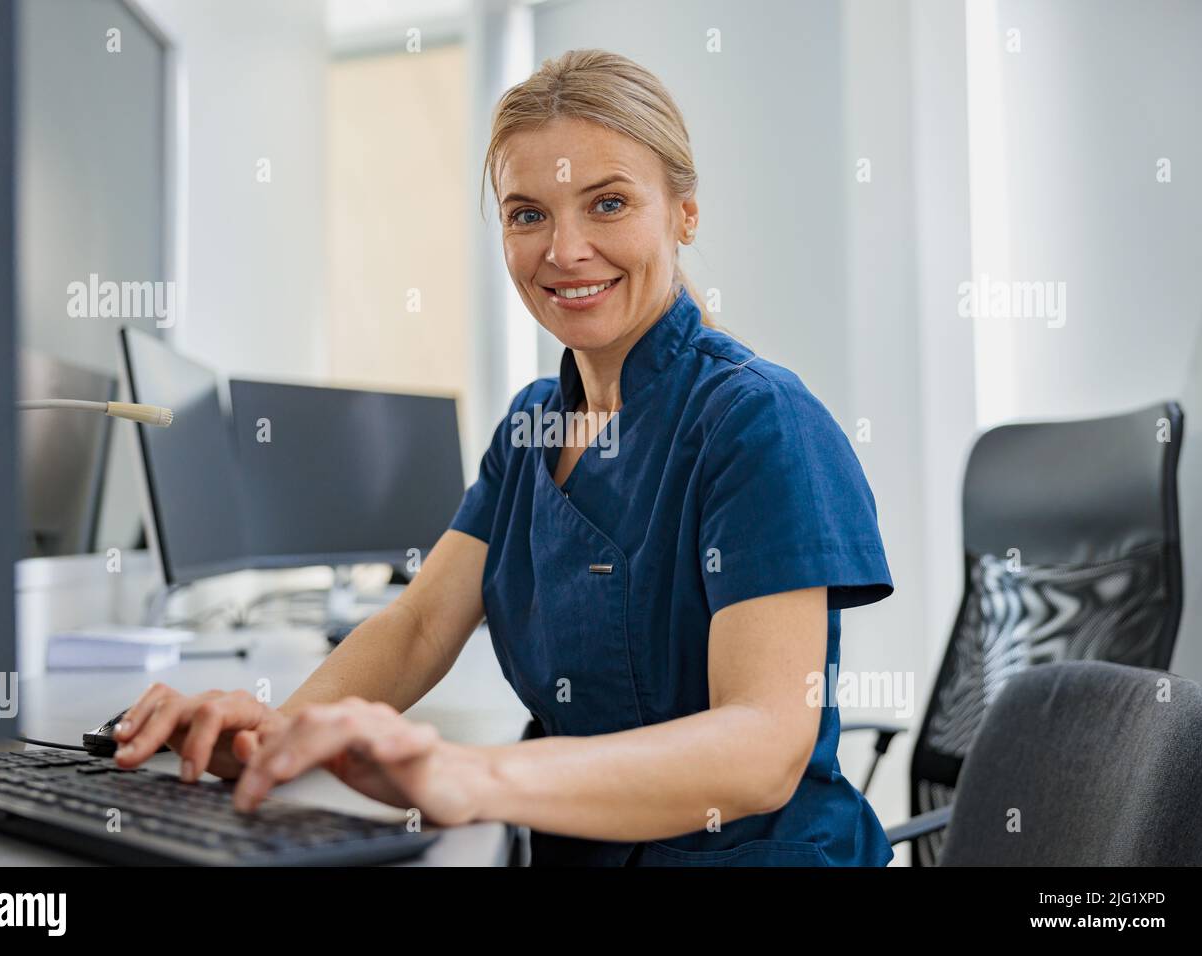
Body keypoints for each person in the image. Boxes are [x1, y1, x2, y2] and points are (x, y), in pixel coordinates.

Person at [114, 49, 896, 866]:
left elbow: (763, 749)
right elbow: (419, 626)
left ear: (684, 215)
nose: (564, 250)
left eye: (609, 203)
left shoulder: (759, 421)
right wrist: (278, 733)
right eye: (527, 215)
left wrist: (473, 774)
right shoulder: (532, 426)